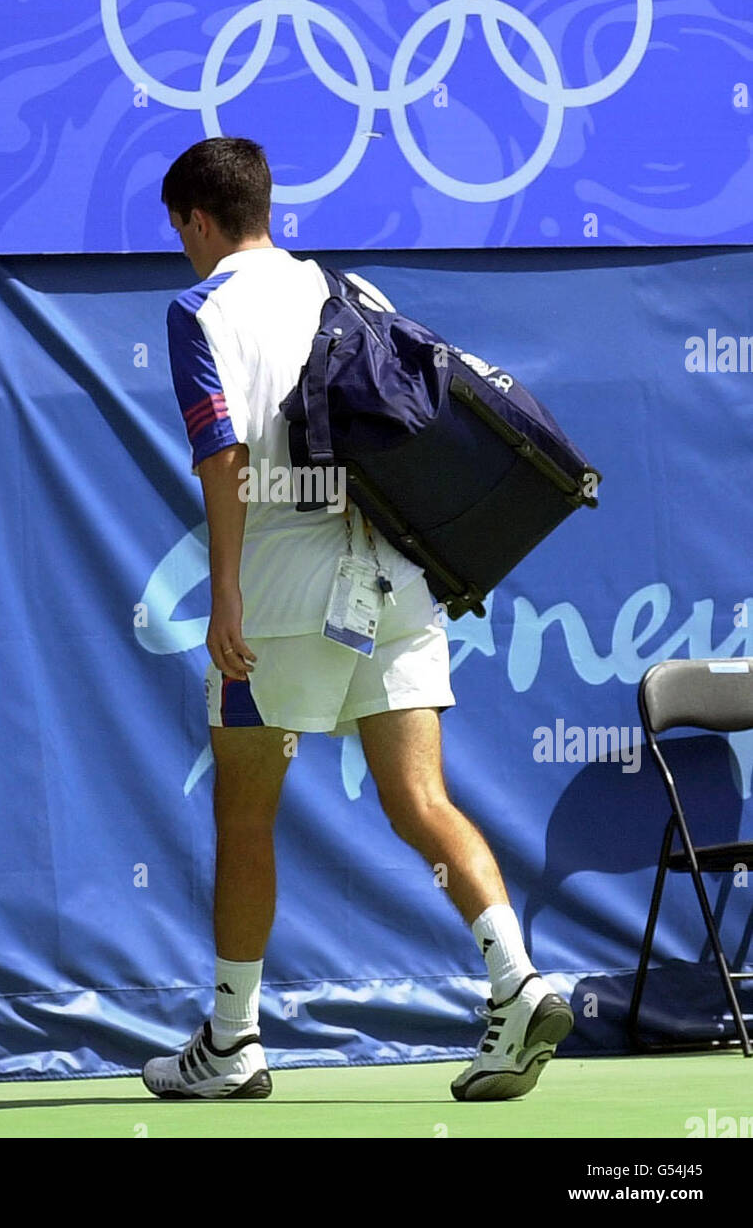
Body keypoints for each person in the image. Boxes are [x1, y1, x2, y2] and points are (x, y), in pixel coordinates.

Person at [144, 136, 574, 1102]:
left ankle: (233, 1042)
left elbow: (224, 463)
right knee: (421, 803)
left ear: (198, 221)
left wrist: (223, 593)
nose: (181, 246)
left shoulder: (198, 311)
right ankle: (517, 979)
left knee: (245, 812)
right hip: (396, 581)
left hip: (281, 599)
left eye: (179, 228)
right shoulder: (352, 292)